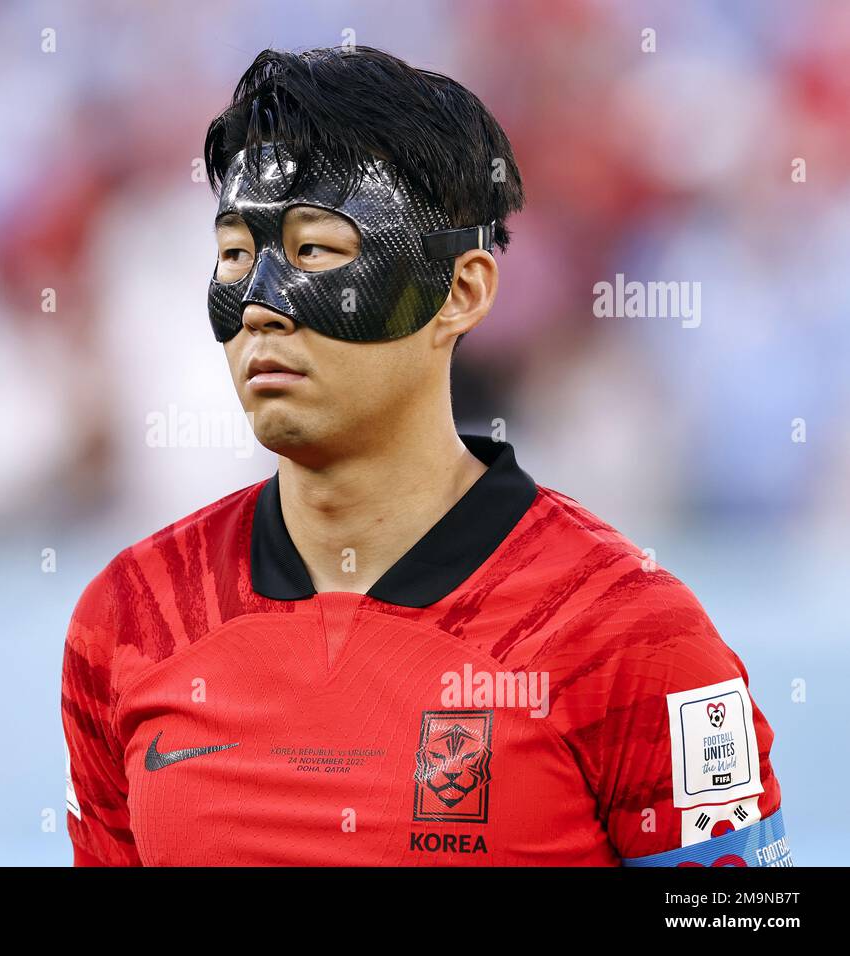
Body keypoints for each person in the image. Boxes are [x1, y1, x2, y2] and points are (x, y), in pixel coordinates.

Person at [60, 46, 788, 866]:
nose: (260, 303)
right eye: (234, 255)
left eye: (315, 251)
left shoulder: (632, 638)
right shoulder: (131, 618)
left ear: (462, 290)